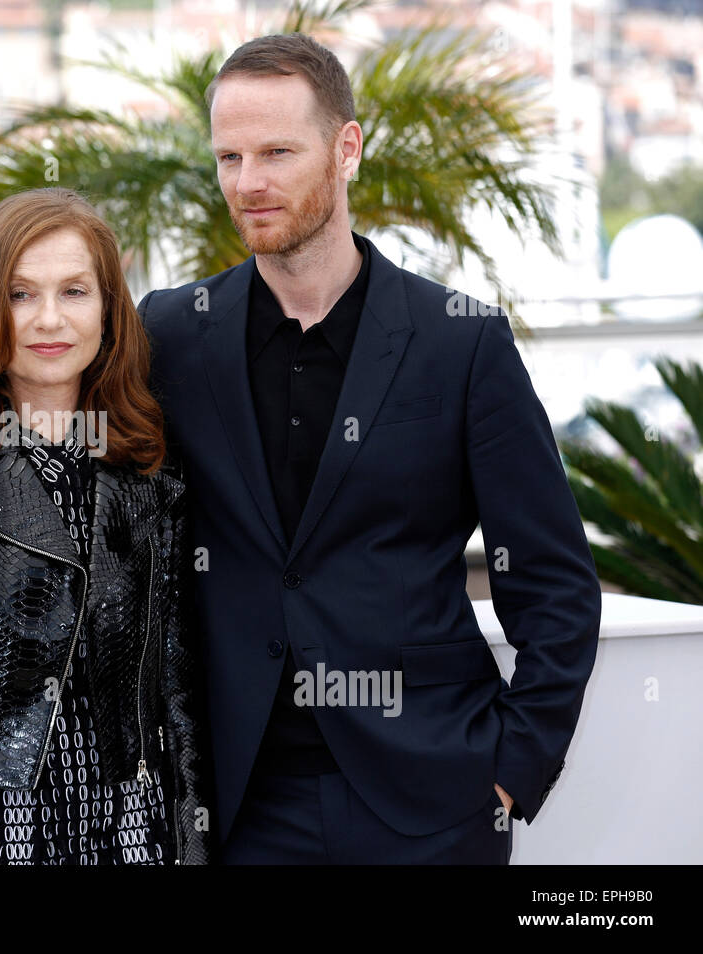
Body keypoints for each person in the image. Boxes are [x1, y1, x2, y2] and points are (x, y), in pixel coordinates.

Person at [138, 34, 601, 864]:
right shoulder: (170, 333)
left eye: (278, 151)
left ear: (347, 148)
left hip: (433, 804)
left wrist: (511, 770)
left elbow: (554, 580)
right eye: (229, 157)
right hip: (236, 807)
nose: (249, 183)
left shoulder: (460, 343)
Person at [0, 187, 213, 865]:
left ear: (109, 308)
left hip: (128, 831)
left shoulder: (153, 472)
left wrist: (192, 843)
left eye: (75, 292)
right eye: (20, 294)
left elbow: (176, 690)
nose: (49, 320)